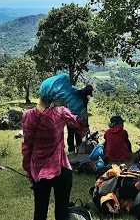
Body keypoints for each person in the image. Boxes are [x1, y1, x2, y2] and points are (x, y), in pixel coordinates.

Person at [22, 78, 89, 220]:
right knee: (62, 213)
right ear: (53, 96)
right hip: (61, 170)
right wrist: (81, 101)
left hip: (39, 172)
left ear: (40, 93)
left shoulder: (27, 116)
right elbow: (81, 126)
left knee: (39, 213)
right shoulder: (60, 113)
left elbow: (26, 146)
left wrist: (29, 169)